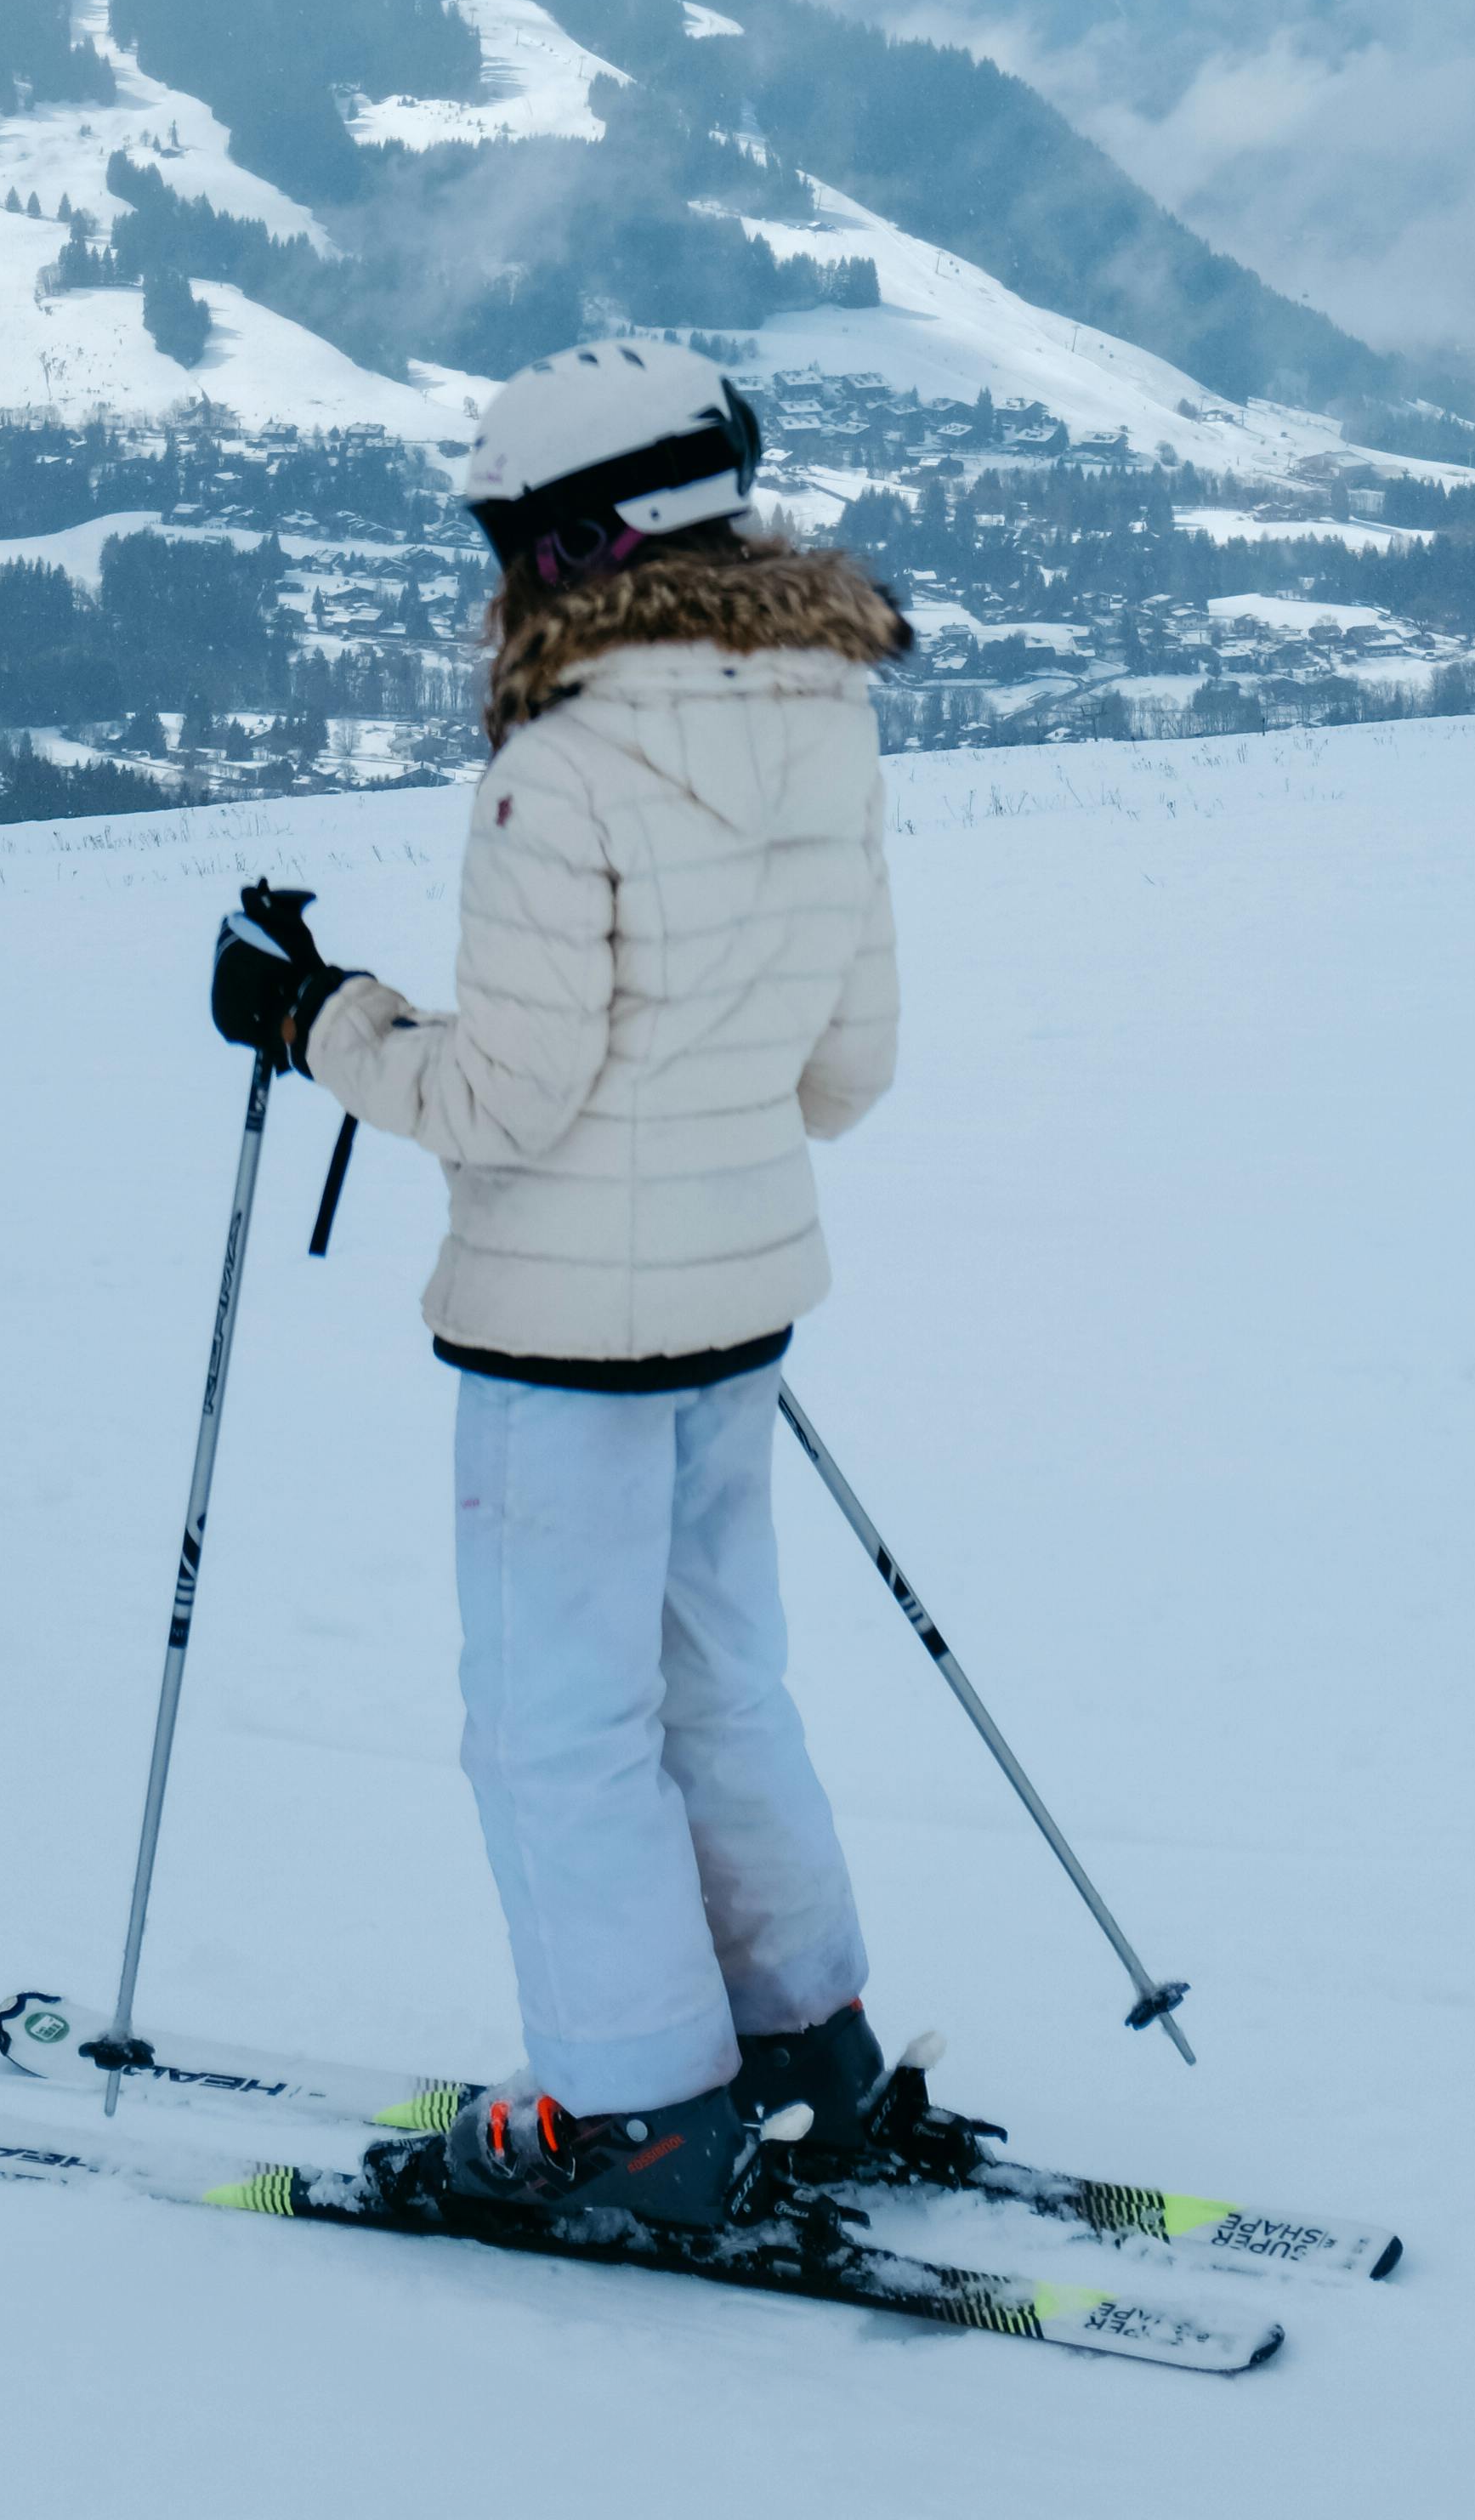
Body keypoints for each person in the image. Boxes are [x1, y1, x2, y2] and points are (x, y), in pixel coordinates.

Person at [212, 338, 912, 2232]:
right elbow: (844, 1073)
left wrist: (310, 1019)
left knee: (552, 1724)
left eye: (513, 538)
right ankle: (800, 2041)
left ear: (578, 542)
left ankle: (636, 2116)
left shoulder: (563, 768)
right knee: (718, 1685)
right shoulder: (826, 715)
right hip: (738, 1302)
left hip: (562, 1342)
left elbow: (500, 1107)